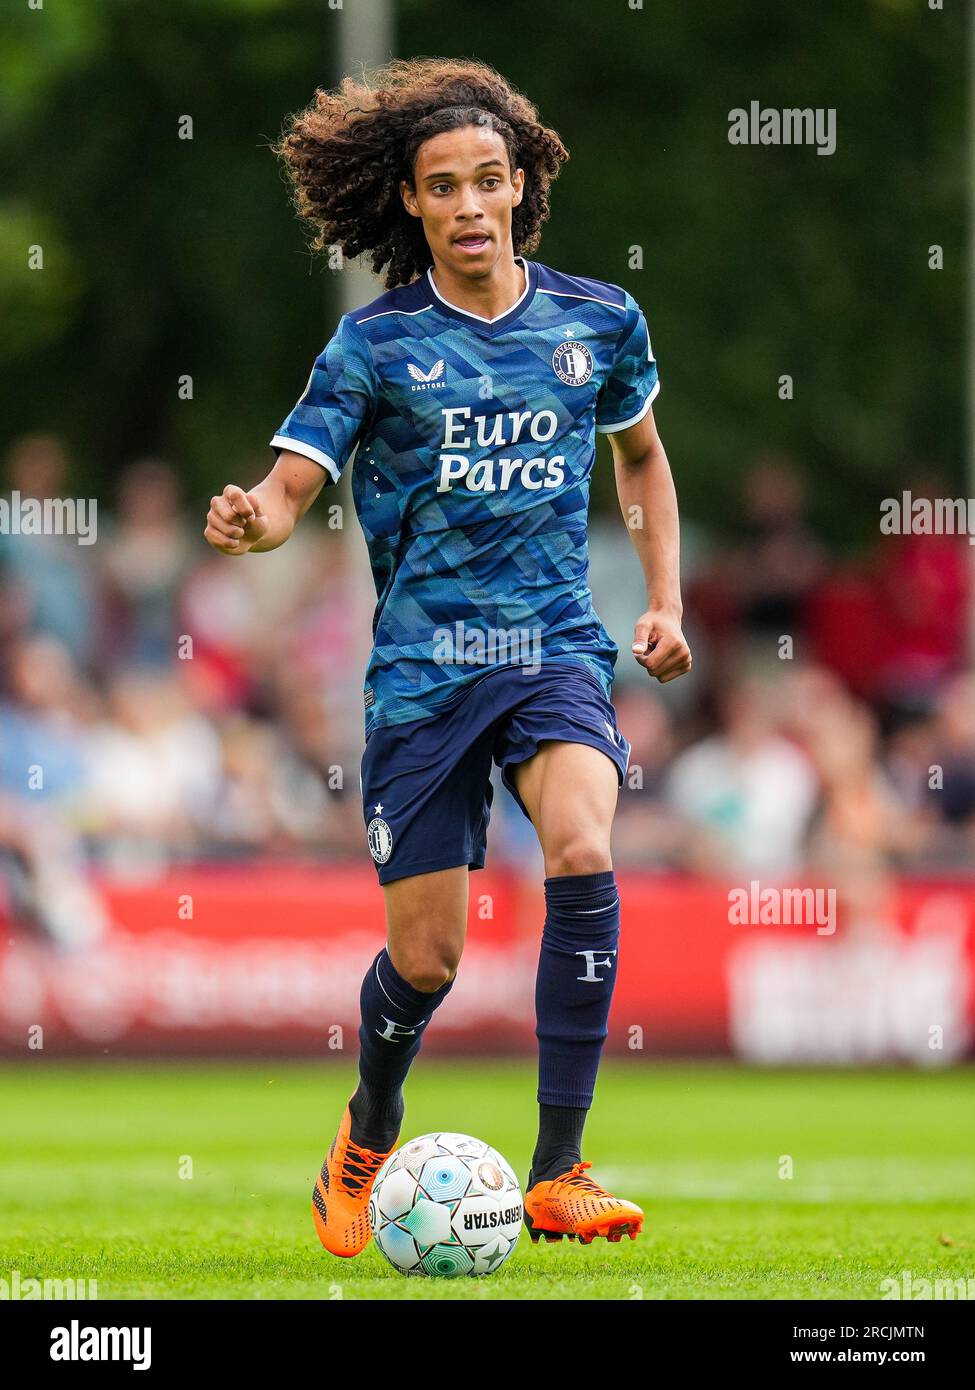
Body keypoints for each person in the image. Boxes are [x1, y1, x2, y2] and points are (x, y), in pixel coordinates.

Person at [204, 59, 690, 1256]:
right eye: (443, 187)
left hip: (553, 648)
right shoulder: (374, 345)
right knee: (427, 959)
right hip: (424, 675)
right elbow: (292, 487)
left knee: (582, 842)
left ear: (521, 186)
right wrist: (255, 519)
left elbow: (639, 457)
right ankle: (368, 1129)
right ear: (411, 204)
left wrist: (665, 599)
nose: (469, 204)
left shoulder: (598, 321)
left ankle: (560, 1168)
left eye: (487, 179)